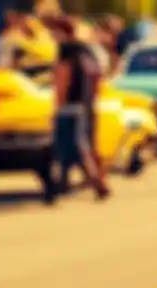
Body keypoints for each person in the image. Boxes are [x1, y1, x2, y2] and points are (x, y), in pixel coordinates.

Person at [50, 15, 108, 201]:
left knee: (76, 146)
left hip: (69, 105)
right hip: (84, 103)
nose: (52, 35)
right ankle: (61, 183)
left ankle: (98, 184)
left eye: (54, 31)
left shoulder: (65, 50)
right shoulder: (85, 49)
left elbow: (62, 76)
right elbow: (97, 74)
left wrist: (57, 103)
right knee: (76, 146)